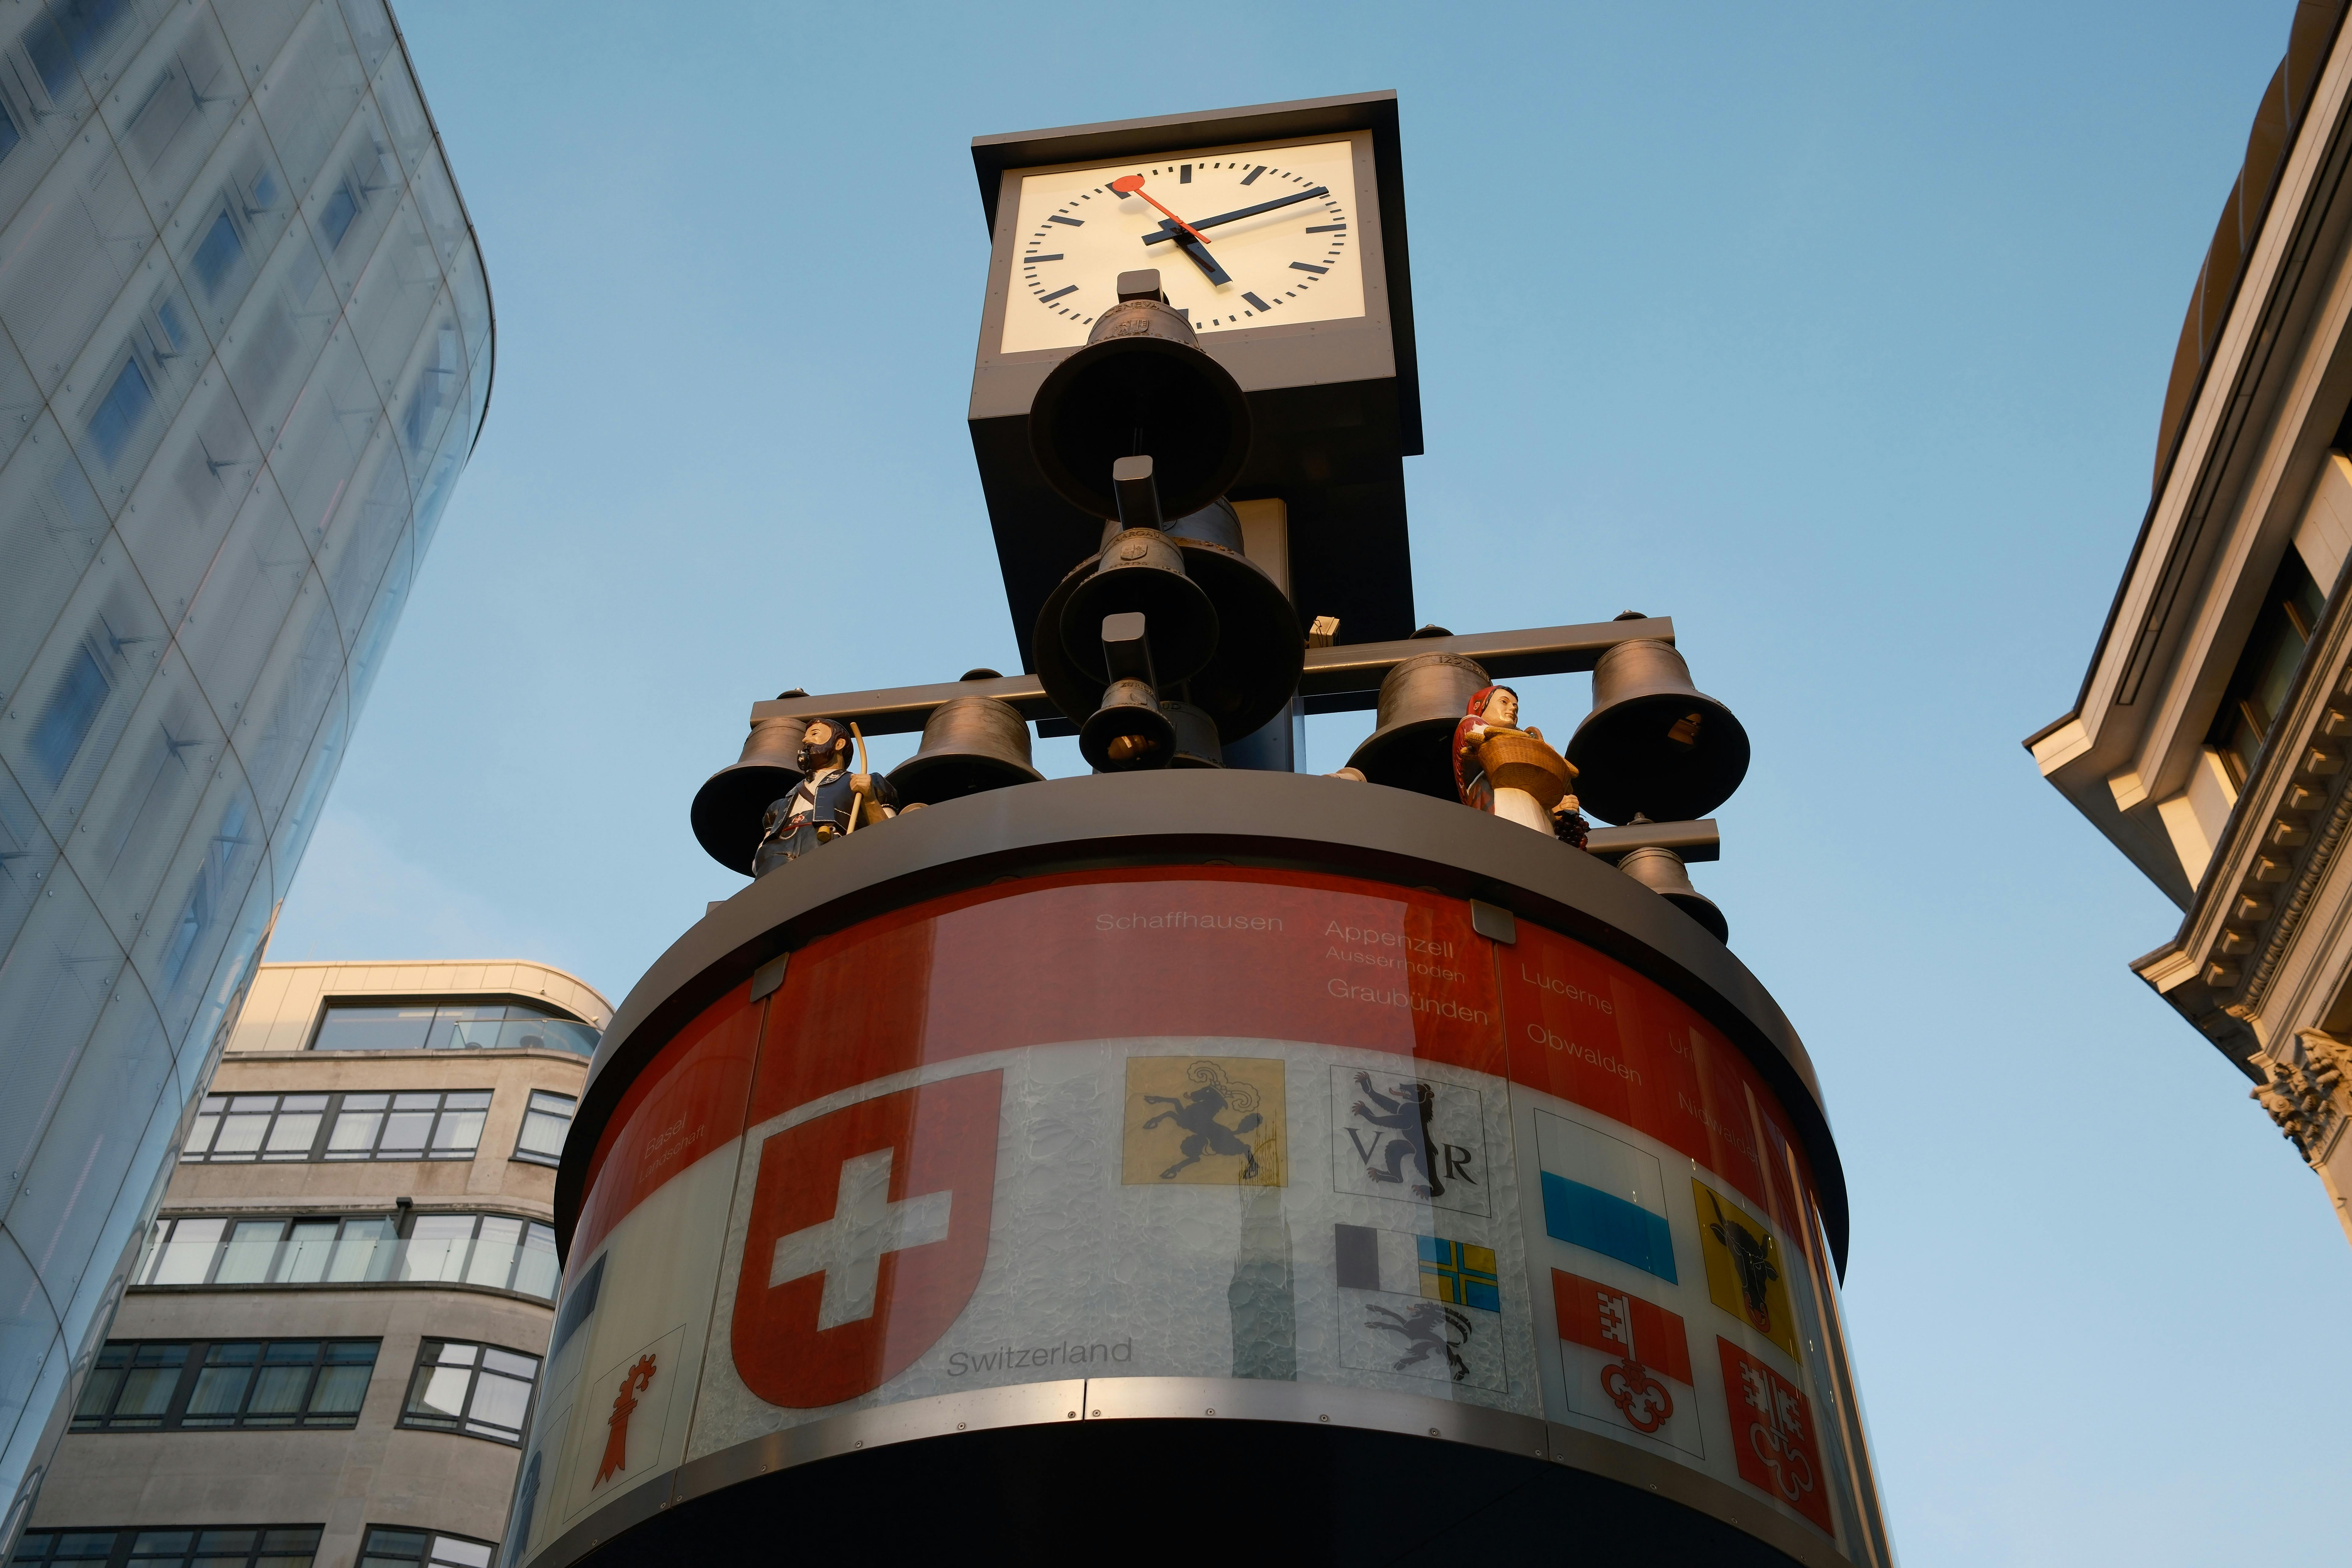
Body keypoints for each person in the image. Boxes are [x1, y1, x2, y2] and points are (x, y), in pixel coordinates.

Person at [751, 718, 898, 876]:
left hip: (827, 849)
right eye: (806, 737)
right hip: (775, 860)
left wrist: (869, 799)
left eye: (815, 734)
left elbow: (889, 838)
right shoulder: (780, 806)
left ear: (839, 744)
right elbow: (757, 863)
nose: (805, 740)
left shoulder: (866, 784)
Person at [1453, 685, 1589, 848]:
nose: (1512, 708)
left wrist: (1562, 809)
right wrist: (1536, 744)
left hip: (1537, 811)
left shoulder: (1526, 747)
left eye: (1515, 706)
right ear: (1479, 707)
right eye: (1504, 702)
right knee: (1510, 842)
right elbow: (1484, 734)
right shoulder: (1472, 724)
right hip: (1498, 797)